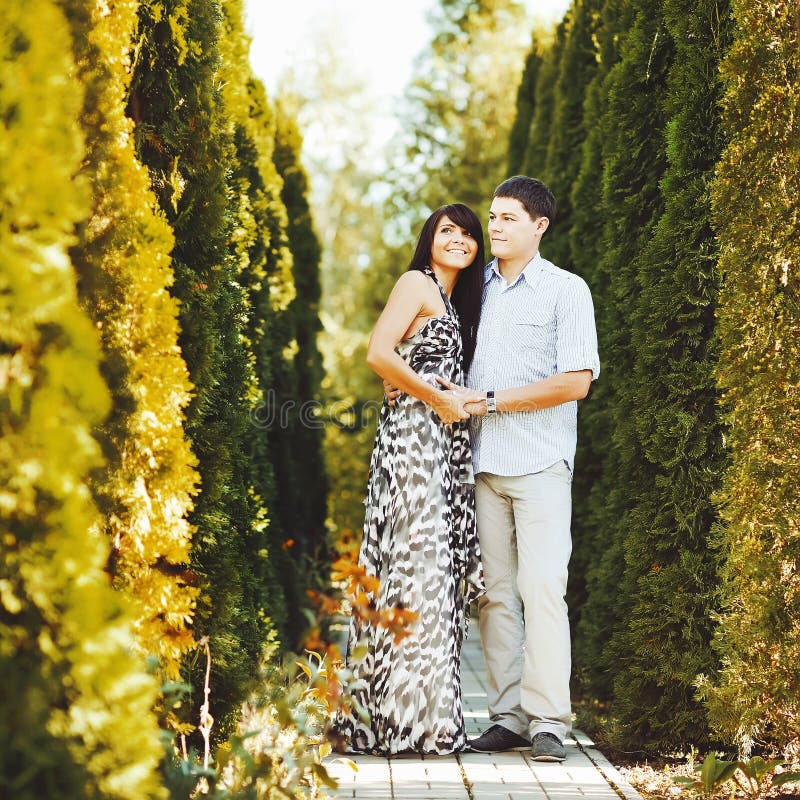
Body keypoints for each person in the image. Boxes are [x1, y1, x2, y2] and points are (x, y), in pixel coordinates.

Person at [389, 176, 600, 762]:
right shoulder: (470, 288)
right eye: (493, 216)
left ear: (540, 226)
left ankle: (549, 720)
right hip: (478, 465)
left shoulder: (566, 290)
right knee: (494, 596)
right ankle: (508, 718)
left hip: (541, 463)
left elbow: (575, 382)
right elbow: (424, 337)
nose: (496, 226)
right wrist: (402, 377)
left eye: (509, 217)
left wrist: (490, 401)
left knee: (543, 590)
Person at [332, 203, 487, 756]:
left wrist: (432, 389)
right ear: (430, 238)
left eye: (468, 234)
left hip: (442, 446)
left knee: (432, 577)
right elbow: (378, 351)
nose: (459, 240)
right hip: (412, 443)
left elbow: (411, 362)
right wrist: (433, 396)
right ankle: (397, 721)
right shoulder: (416, 283)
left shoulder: (456, 300)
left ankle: (424, 718)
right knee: (413, 569)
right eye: (448, 231)